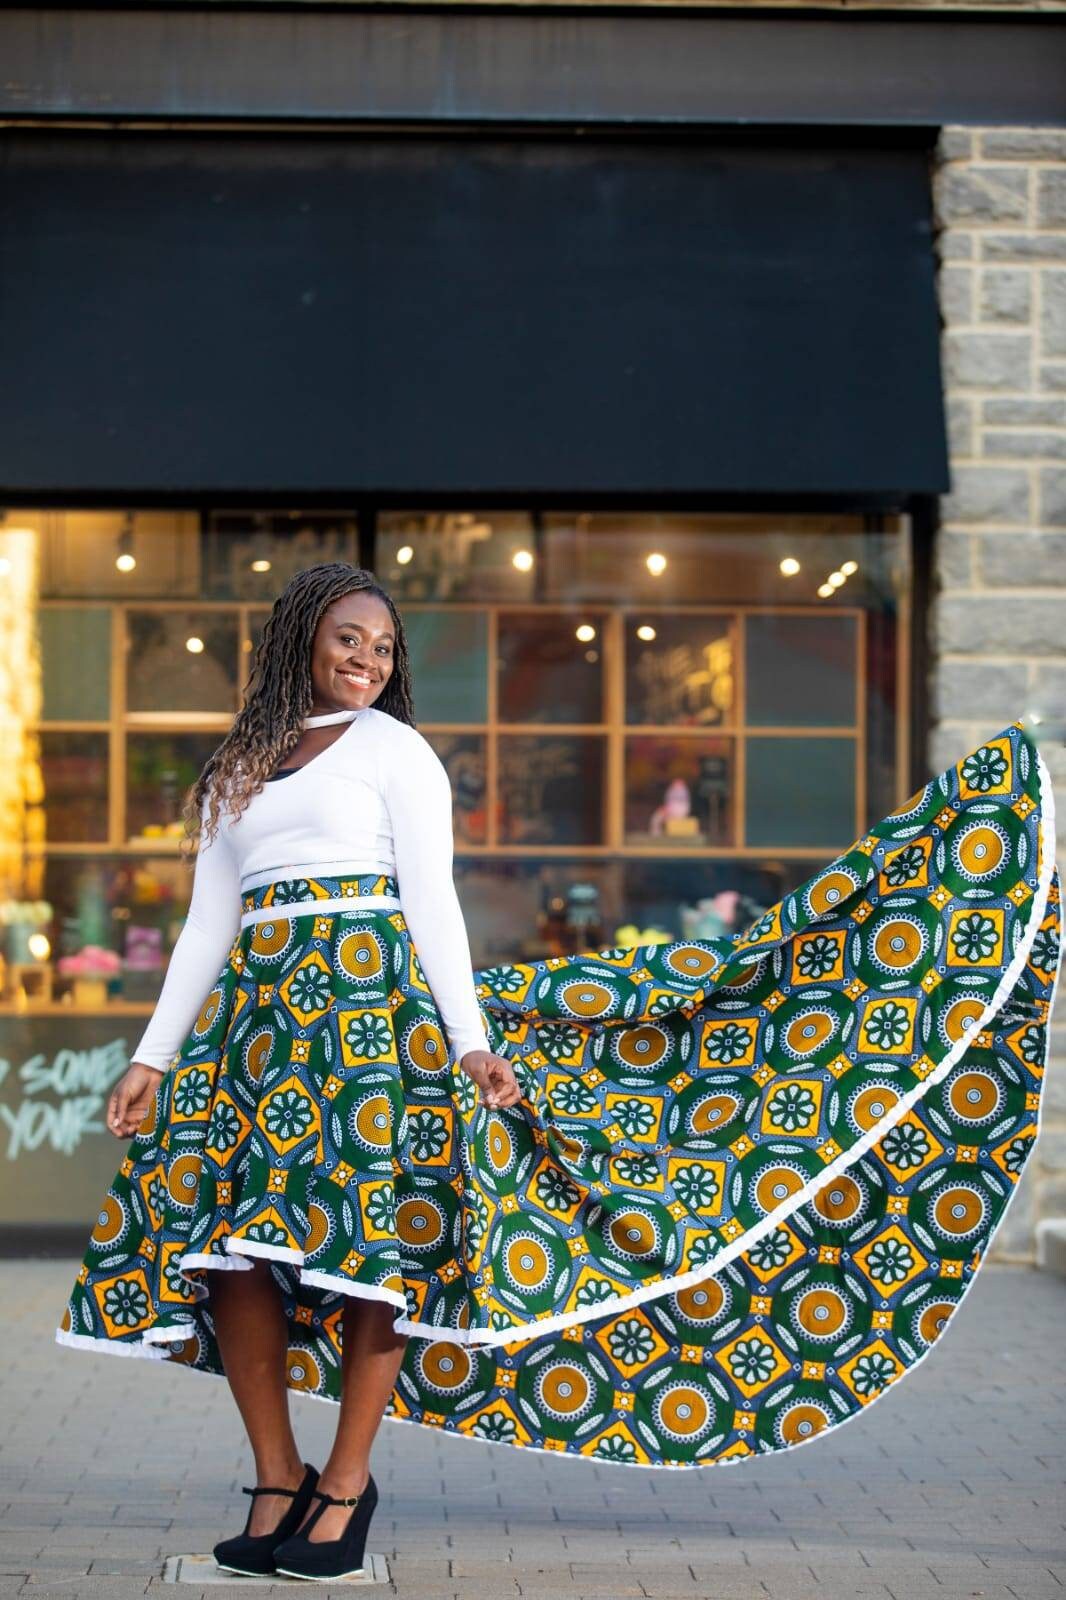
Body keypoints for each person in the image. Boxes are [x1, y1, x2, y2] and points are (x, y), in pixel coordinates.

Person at [57, 563, 1061, 1582]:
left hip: (366, 1022)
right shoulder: (237, 768)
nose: (366, 660)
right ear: (299, 641)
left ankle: (347, 1484)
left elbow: (432, 903)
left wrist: (466, 1038)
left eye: (383, 646)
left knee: (370, 1252)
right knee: (230, 1254)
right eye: (348, 638)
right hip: (253, 1032)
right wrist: (153, 1054)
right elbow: (206, 923)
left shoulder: (393, 751)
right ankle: (279, 1474)